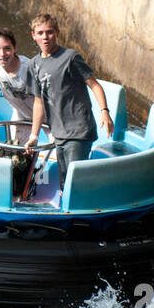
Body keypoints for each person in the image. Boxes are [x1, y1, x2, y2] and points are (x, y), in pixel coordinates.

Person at [24, 14, 113, 192]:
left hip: (78, 130)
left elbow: (94, 85)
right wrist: (33, 136)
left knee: (75, 183)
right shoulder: (34, 64)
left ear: (56, 33)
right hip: (58, 133)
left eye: (49, 32)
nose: (45, 37)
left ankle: (83, 215)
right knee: (64, 182)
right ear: (33, 35)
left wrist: (104, 111)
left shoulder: (70, 57)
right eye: (40, 33)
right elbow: (38, 102)